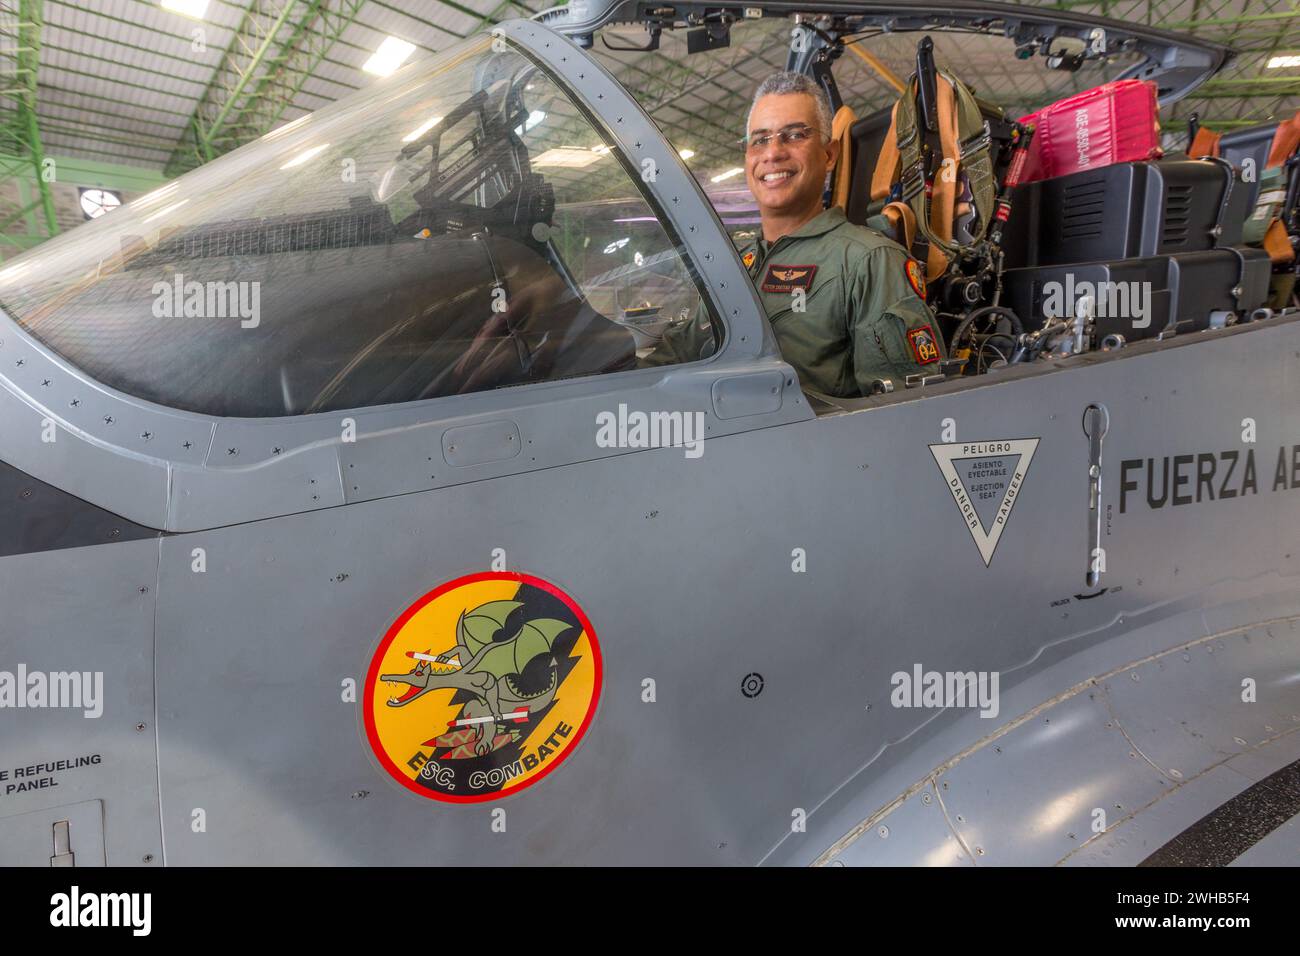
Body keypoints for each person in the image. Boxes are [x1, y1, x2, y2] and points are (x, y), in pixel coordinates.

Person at [646, 71, 944, 396]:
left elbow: (905, 412)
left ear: (828, 155)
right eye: (760, 139)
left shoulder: (868, 262)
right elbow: (681, 352)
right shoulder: (738, 262)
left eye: (794, 135)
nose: (772, 153)